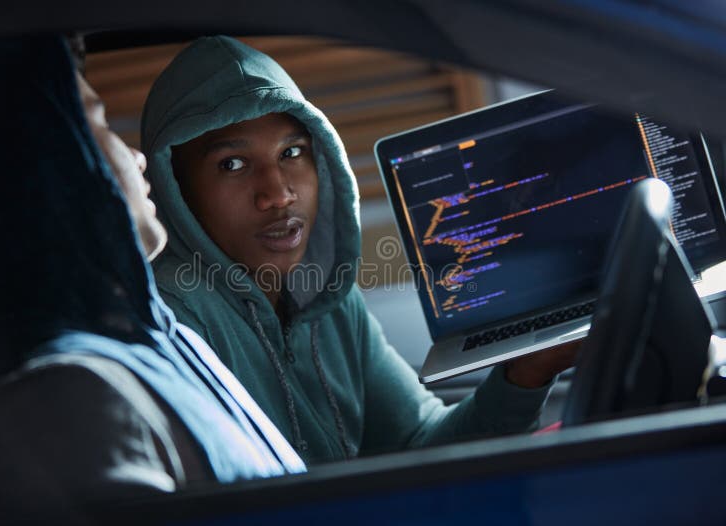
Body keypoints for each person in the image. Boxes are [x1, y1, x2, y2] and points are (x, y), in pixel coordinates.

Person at [141, 36, 577, 464]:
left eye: (292, 152)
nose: (277, 194)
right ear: (176, 190)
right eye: (232, 164)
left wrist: (527, 373)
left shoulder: (329, 296)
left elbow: (420, 443)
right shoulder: (171, 319)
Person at [0, 36, 304, 512]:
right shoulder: (56, 405)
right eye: (101, 121)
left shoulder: (156, 339)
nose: (137, 156)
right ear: (50, 162)